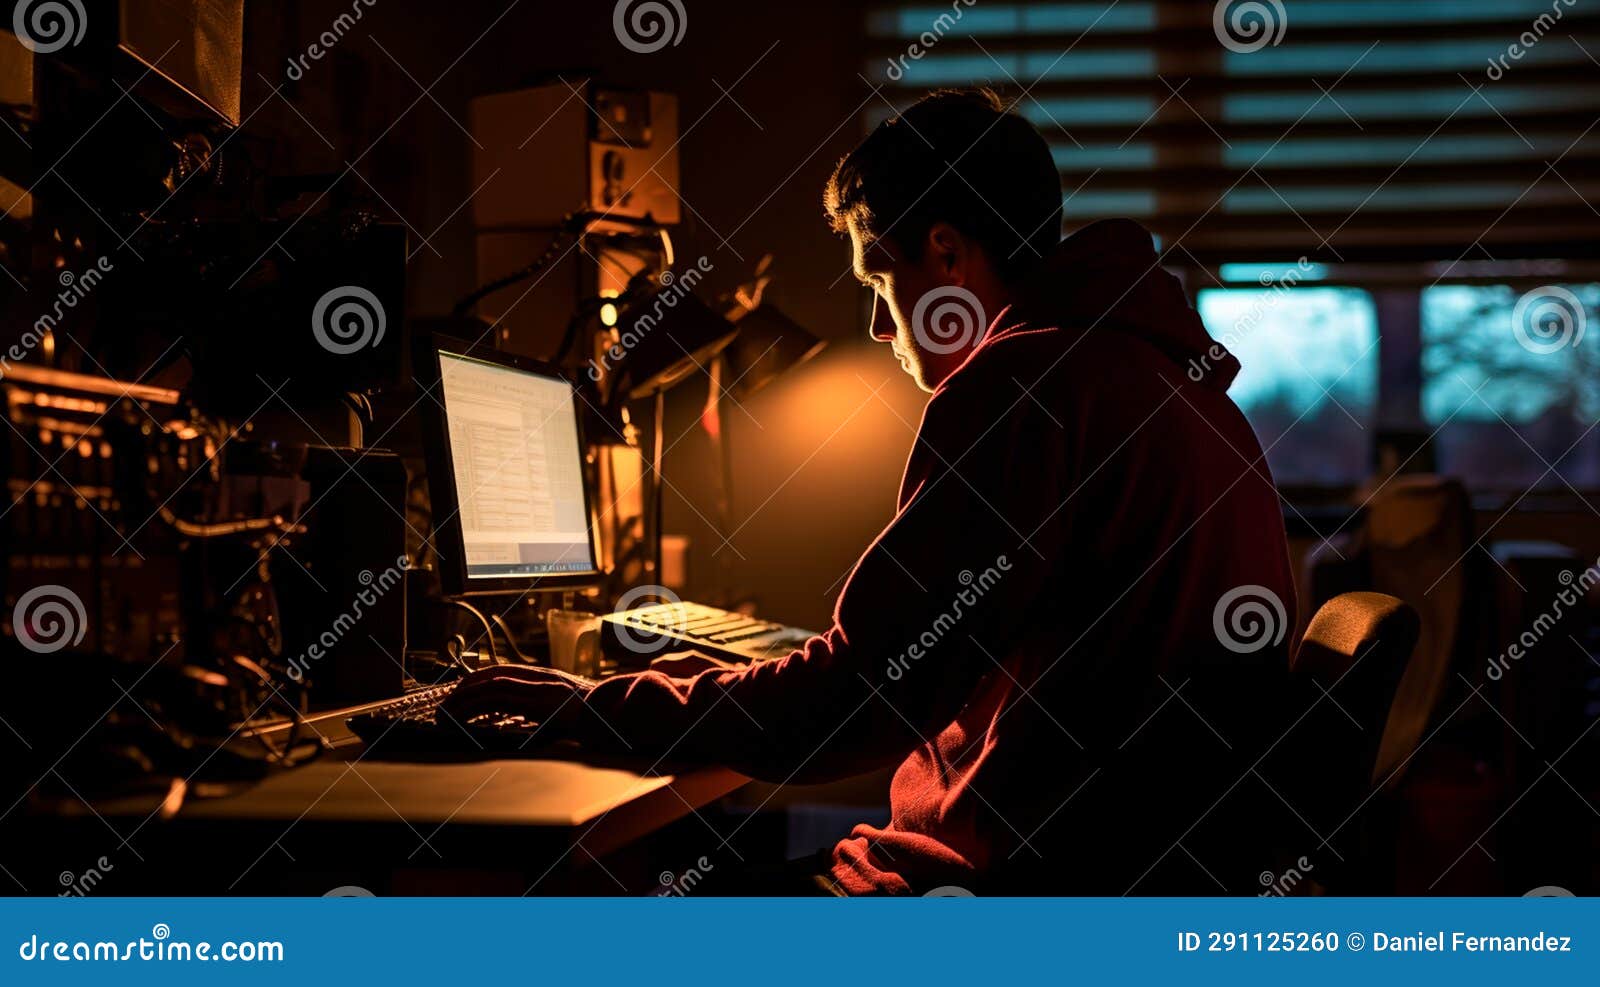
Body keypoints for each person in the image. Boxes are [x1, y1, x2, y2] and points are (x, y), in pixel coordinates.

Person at [445, 88, 1298, 895]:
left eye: (877, 284)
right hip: (1122, 869)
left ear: (947, 253)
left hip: (997, 886)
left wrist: (601, 706)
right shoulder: (1171, 381)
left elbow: (861, 693)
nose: (881, 327)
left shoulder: (1023, 387)